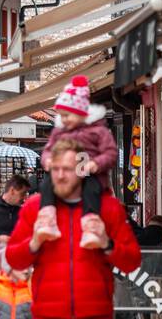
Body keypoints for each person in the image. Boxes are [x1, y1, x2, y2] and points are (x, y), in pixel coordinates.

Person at [6, 141, 141, 319]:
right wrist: (35, 242)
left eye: (67, 169)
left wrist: (106, 243)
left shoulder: (107, 208)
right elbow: (13, 259)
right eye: (55, 169)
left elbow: (131, 260)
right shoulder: (34, 208)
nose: (61, 176)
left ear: (82, 170)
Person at [37, 75, 118, 249]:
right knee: (46, 185)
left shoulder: (98, 131)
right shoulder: (59, 132)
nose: (64, 119)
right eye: (62, 116)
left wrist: (96, 163)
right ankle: (47, 218)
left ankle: (90, 225)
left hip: (87, 170)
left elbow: (110, 153)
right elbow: (48, 149)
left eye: (68, 115)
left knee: (91, 189)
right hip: (61, 172)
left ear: (81, 112)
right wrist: (48, 160)